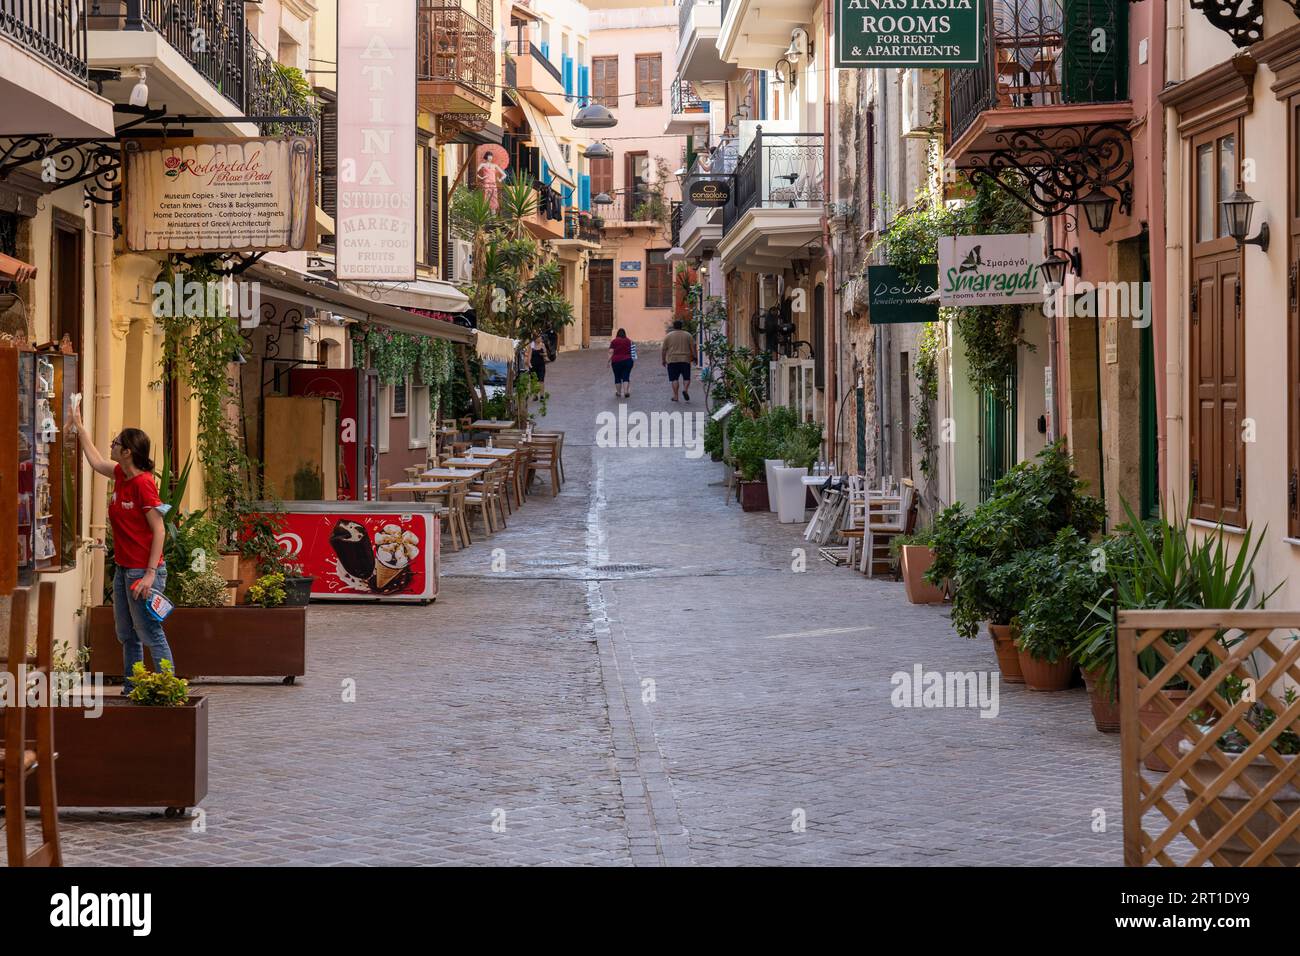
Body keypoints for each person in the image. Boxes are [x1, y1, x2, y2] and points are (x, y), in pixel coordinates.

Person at [68, 409, 173, 689]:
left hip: (143, 572)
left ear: (127, 452)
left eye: (116, 442)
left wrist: (150, 575)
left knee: (150, 631)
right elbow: (95, 461)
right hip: (124, 569)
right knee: (127, 634)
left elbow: (159, 529)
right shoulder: (120, 474)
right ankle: (133, 687)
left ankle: (166, 689)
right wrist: (79, 427)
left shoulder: (143, 484)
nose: (111, 446)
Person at [662, 319, 698, 402]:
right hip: (685, 359)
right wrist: (695, 357)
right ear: (682, 326)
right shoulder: (688, 335)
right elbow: (693, 347)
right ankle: (685, 389)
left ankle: (676, 396)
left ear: (674, 326)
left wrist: (663, 360)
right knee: (686, 377)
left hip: (672, 360)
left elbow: (664, 349)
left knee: (674, 379)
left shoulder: (668, 336)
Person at [609, 328, 634, 399]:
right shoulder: (629, 341)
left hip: (616, 361)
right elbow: (633, 351)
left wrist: (608, 361)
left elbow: (611, 352)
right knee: (626, 376)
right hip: (627, 360)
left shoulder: (614, 341)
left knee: (617, 377)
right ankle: (626, 391)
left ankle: (619, 392)